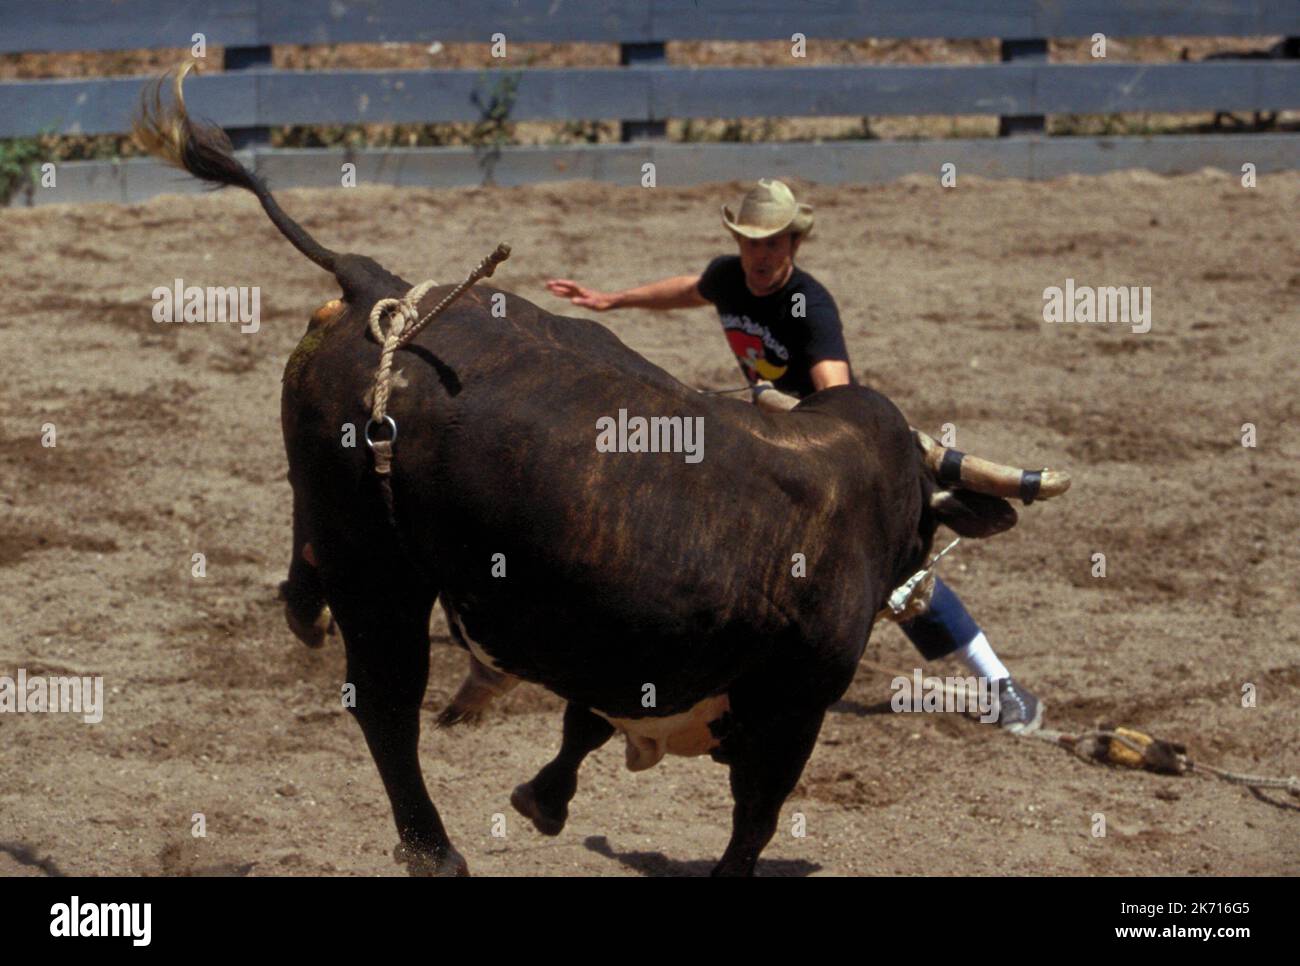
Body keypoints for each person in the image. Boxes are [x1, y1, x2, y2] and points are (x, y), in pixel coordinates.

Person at [545, 178, 1042, 732]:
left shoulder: (812, 308)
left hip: (825, 452)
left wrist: (778, 405)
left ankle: (1000, 684)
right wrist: (613, 299)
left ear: (793, 245)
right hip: (768, 442)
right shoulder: (727, 277)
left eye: (773, 243)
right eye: (752, 243)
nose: (761, 254)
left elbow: (838, 397)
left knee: (906, 579)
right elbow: (693, 289)